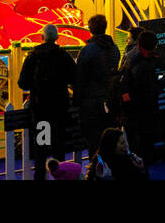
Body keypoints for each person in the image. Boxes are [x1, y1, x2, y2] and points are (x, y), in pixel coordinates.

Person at [16, 23, 78, 181]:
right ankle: (61, 176)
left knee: (40, 150)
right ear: (57, 38)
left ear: (42, 37)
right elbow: (74, 77)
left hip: (40, 109)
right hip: (59, 109)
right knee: (58, 147)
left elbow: (22, 83)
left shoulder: (33, 56)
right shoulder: (64, 56)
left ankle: (39, 177)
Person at [74, 13, 121, 161]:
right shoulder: (114, 48)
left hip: (91, 103)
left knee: (93, 141)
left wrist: (77, 102)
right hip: (109, 99)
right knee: (109, 138)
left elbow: (80, 78)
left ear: (90, 29)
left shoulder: (87, 51)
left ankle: (97, 169)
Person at [119, 29, 160, 164]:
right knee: (143, 147)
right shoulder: (143, 65)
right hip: (142, 111)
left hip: (132, 111)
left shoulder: (131, 57)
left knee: (135, 146)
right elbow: (146, 90)